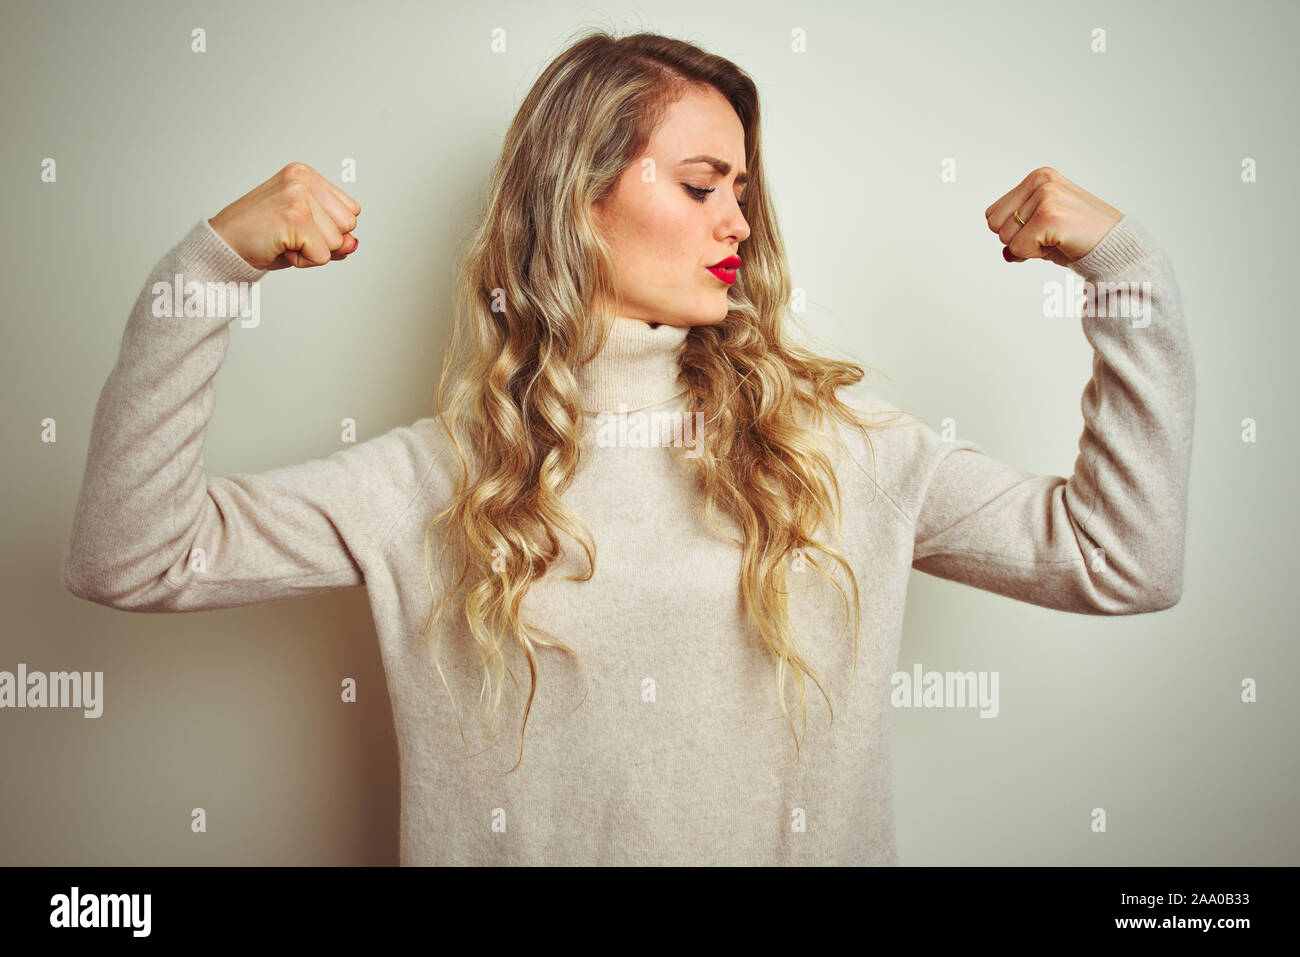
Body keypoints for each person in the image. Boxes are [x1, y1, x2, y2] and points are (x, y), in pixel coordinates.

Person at [62, 29, 1194, 865]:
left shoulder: (844, 458)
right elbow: (133, 557)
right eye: (702, 185)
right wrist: (204, 275)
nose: (739, 225)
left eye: (742, 190)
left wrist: (1127, 274)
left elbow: (1121, 564)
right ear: (577, 199)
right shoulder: (430, 479)